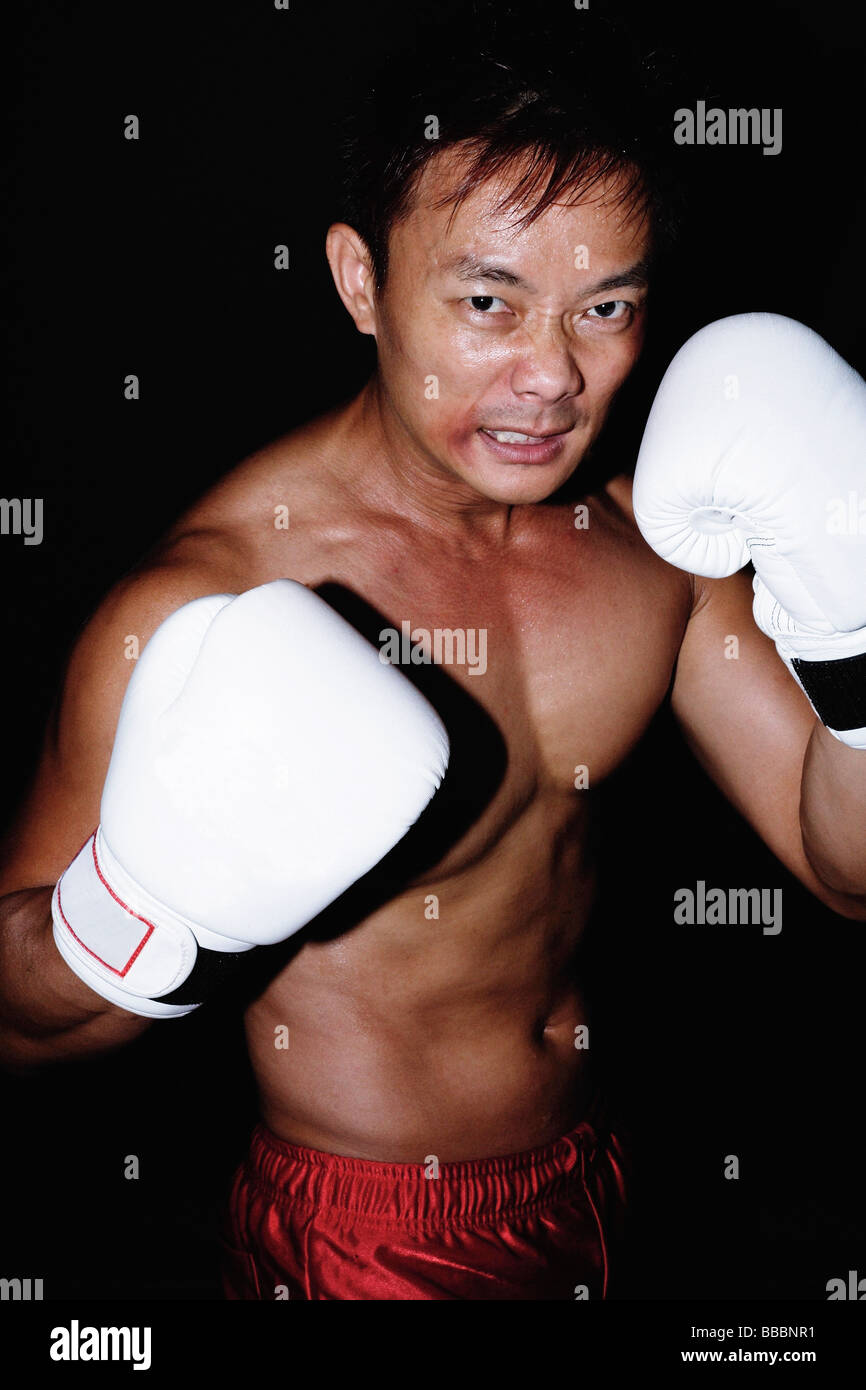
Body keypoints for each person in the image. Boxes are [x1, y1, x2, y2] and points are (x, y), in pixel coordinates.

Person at [1, 16, 864, 1300]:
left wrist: (858, 648)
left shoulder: (649, 541)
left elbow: (839, 870)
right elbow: (18, 1021)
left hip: (598, 1179)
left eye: (605, 307)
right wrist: (137, 911)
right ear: (358, 282)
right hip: (361, 1233)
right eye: (486, 303)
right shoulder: (215, 599)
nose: (550, 377)